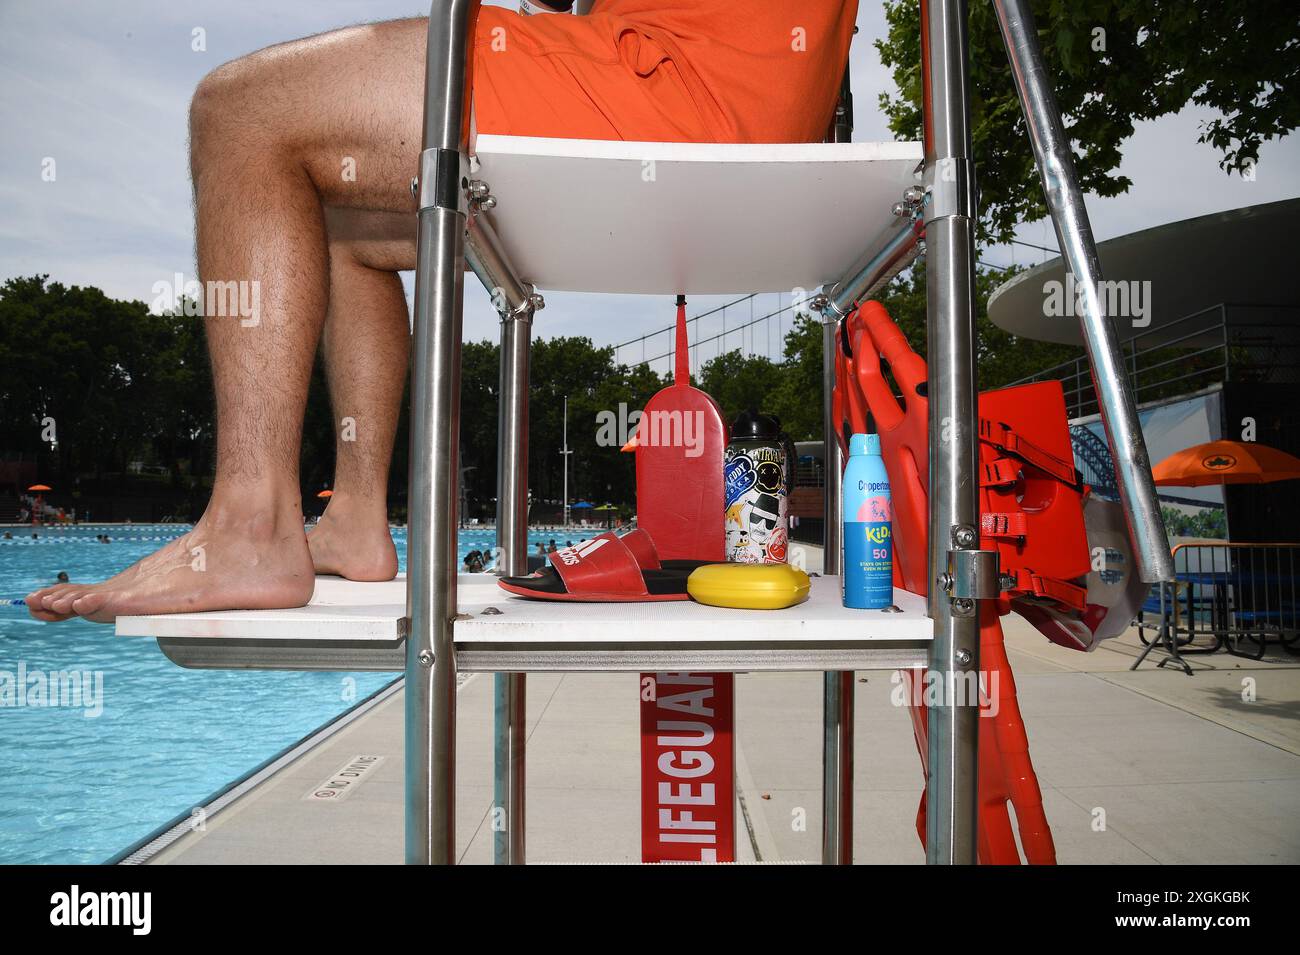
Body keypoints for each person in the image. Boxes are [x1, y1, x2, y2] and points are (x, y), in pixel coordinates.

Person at [26, 1, 858, 624]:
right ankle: (353, 518)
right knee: (332, 222)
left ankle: (249, 523)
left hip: (677, 79)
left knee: (238, 112)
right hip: (746, 86)